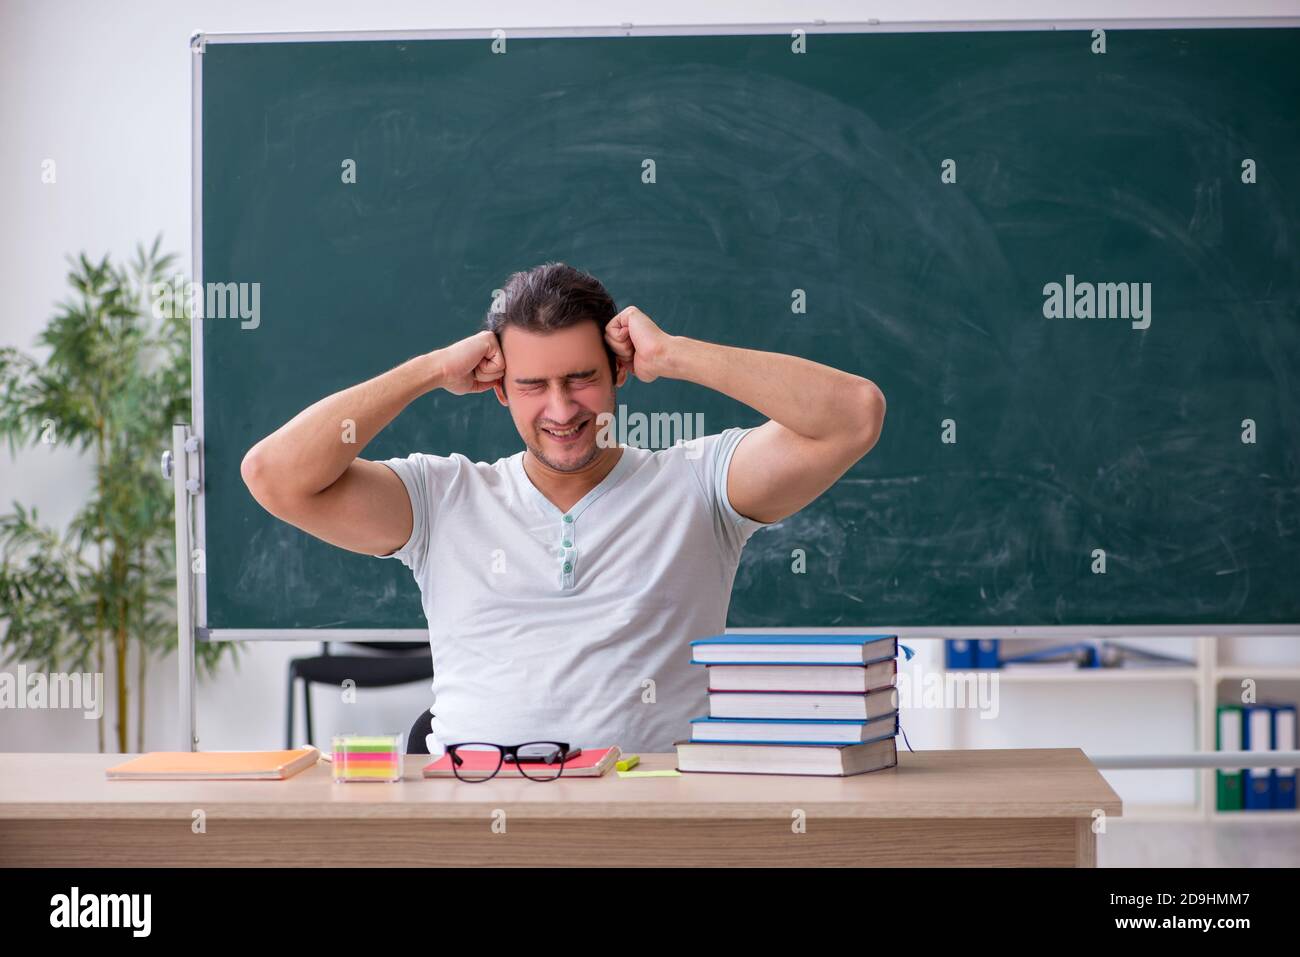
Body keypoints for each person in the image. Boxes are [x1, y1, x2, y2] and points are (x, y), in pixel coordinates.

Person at [241, 262, 886, 753]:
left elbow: (854, 415)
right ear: (498, 389)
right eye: (532, 385)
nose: (561, 409)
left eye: (580, 378)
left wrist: (674, 354)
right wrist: (430, 370)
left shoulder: (701, 485)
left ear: (620, 372)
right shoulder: (442, 500)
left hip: (654, 827)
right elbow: (274, 476)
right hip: (476, 822)